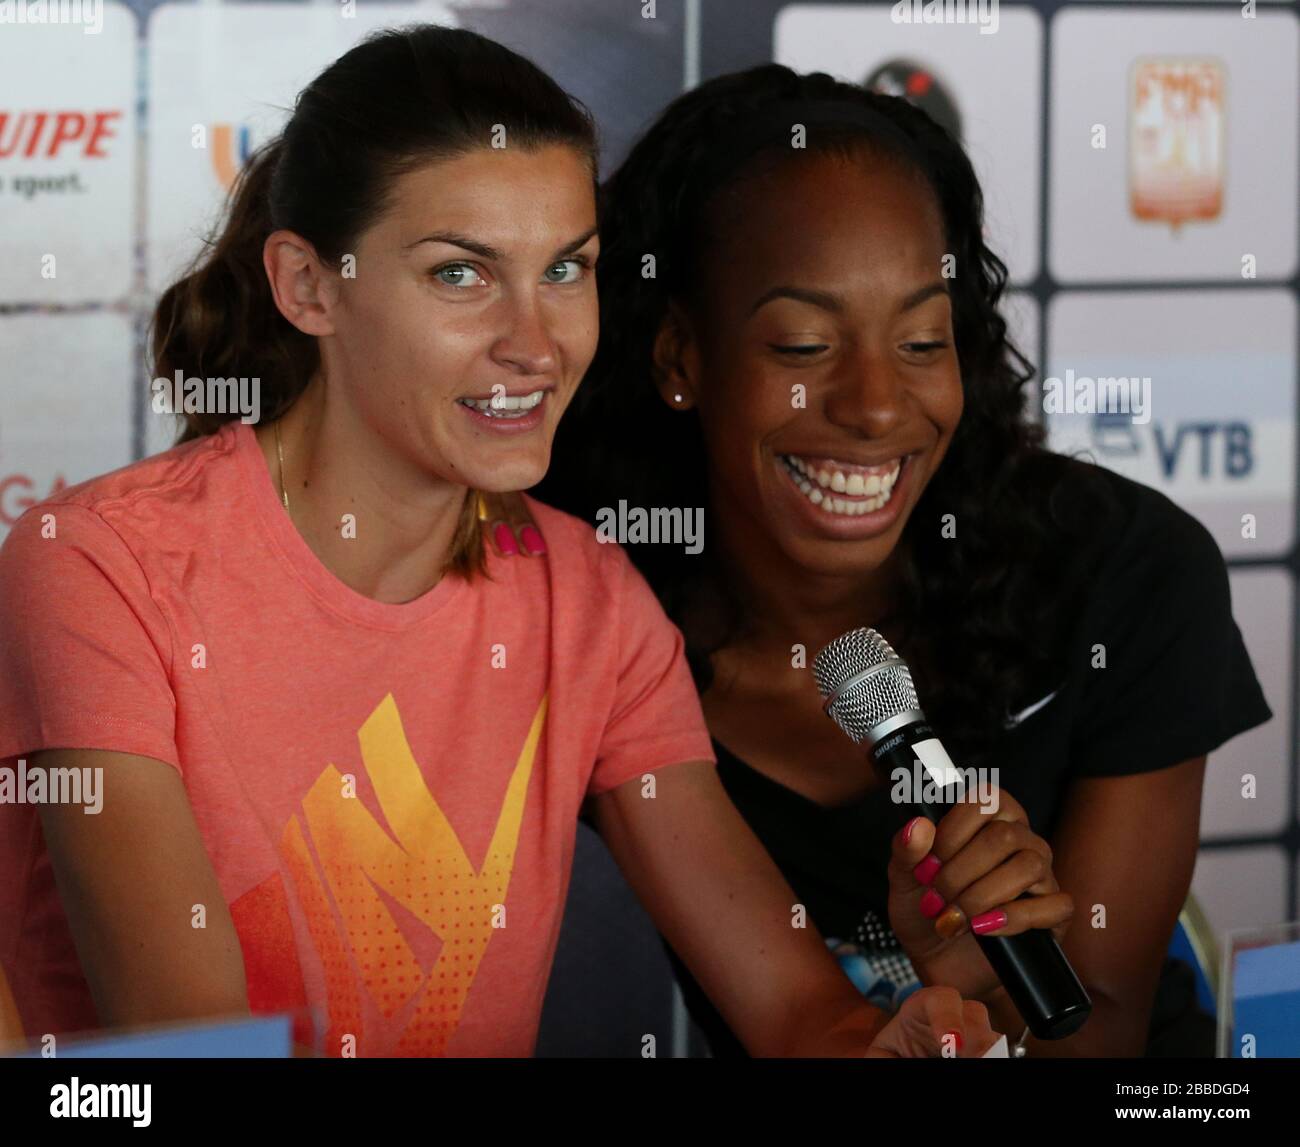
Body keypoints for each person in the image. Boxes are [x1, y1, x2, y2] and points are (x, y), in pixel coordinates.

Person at [0, 27, 1001, 1060]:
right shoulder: (98, 563)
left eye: (565, 268)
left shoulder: (591, 600)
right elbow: (189, 1048)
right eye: (460, 275)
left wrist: (892, 1039)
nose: (536, 342)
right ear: (308, 286)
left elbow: (796, 1012)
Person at [534, 63, 1273, 1058]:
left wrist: (980, 985)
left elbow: (1104, 1031)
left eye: (922, 342)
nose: (878, 407)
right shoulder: (592, 623)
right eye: (801, 347)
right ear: (679, 357)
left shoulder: (1124, 573)